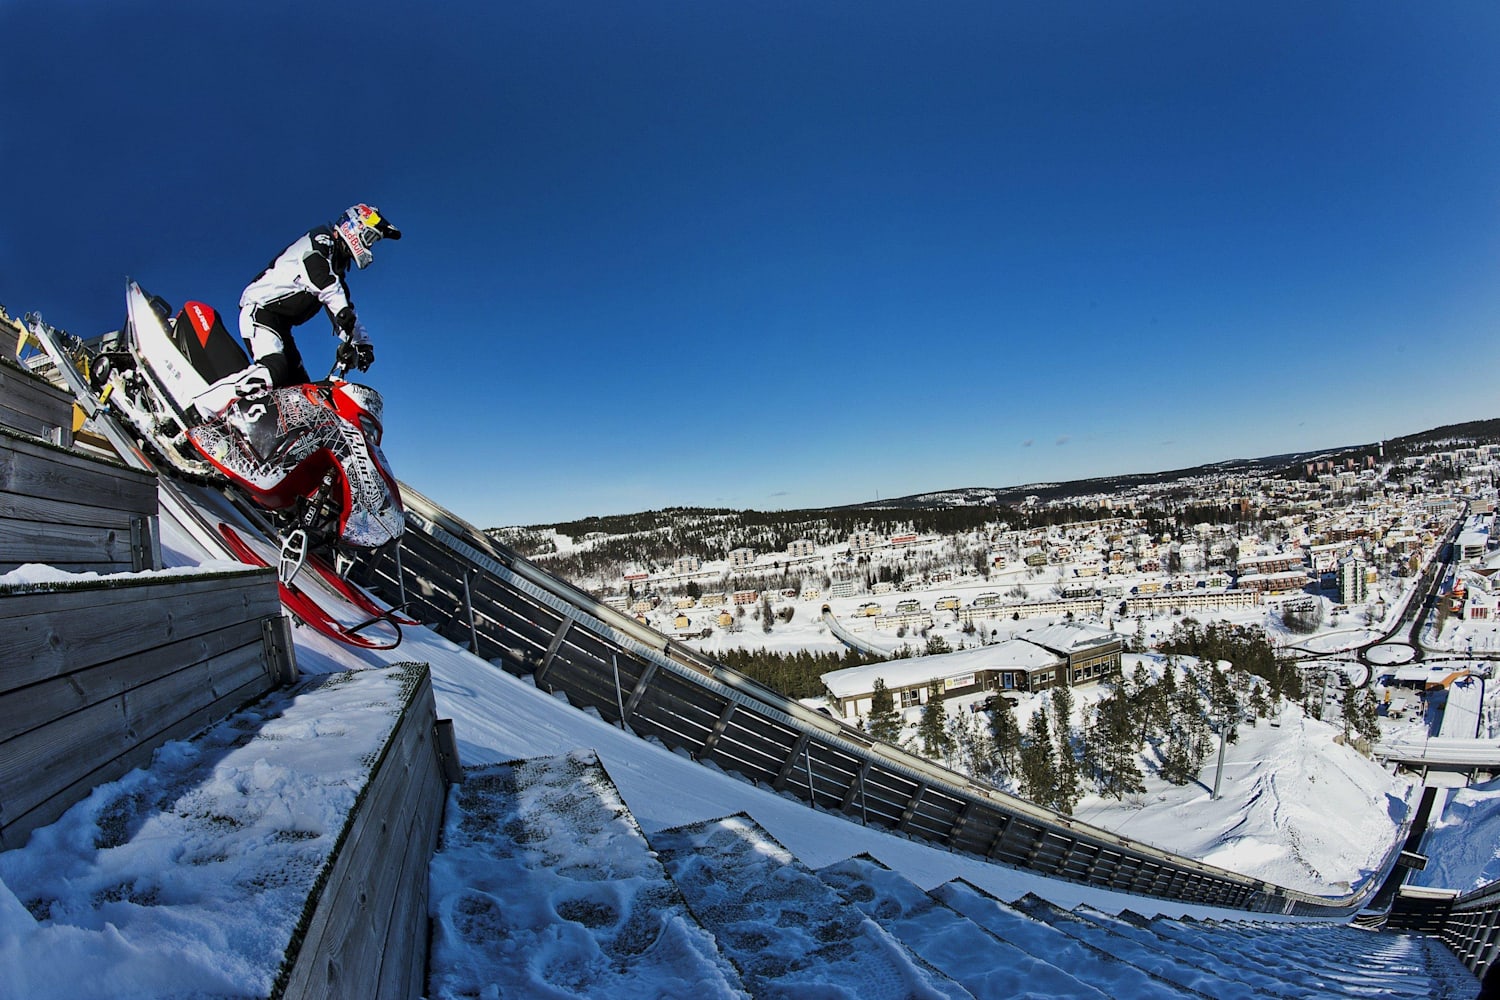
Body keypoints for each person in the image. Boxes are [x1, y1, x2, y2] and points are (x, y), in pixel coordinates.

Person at [194, 203, 401, 416]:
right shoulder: (321, 241)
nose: (369, 246)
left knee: (301, 394)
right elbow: (323, 280)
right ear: (352, 227)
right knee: (274, 369)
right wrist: (343, 313)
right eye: (369, 238)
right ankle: (200, 408)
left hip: (280, 326)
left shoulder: (336, 277)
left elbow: (345, 313)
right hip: (260, 311)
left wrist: (363, 345)